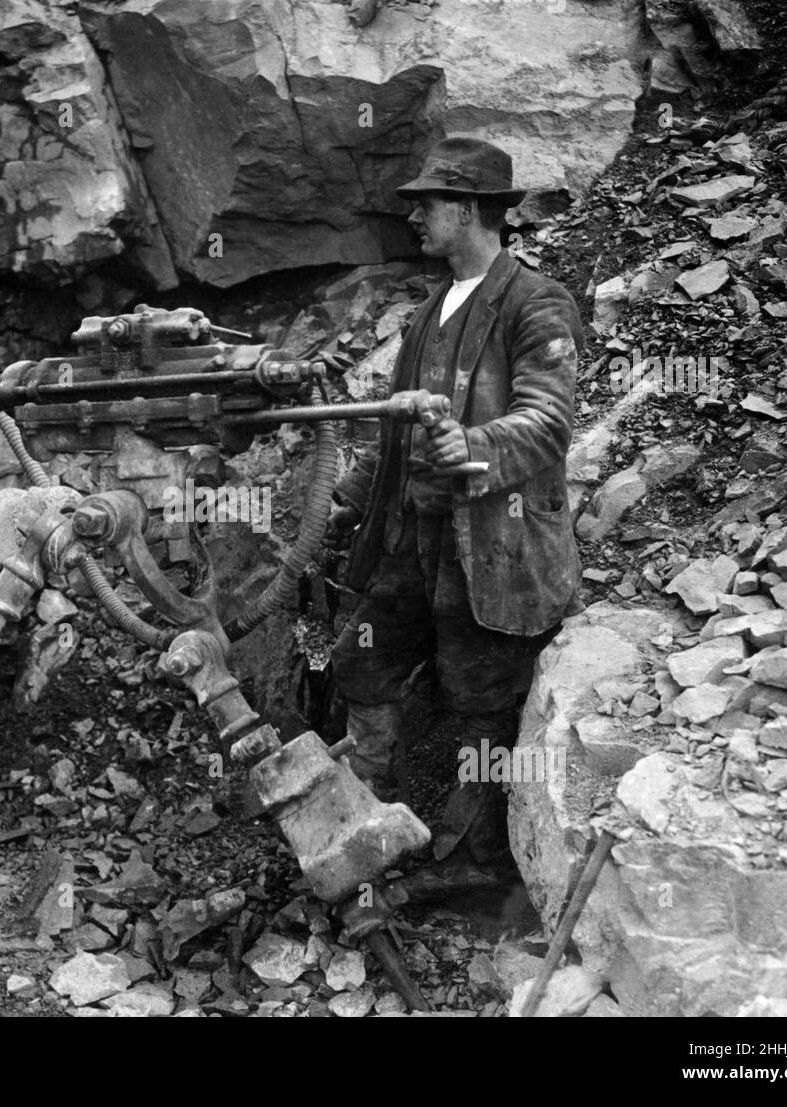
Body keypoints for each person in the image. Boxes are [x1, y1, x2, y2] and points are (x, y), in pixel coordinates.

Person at [325, 136, 584, 868]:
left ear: (470, 208)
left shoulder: (536, 304)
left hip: (493, 547)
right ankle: (362, 818)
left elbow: (547, 423)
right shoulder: (430, 310)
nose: (416, 217)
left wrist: (472, 448)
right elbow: (397, 428)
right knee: (363, 663)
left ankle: (475, 859)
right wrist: (346, 497)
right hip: (413, 539)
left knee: (480, 701)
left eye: (429, 203)